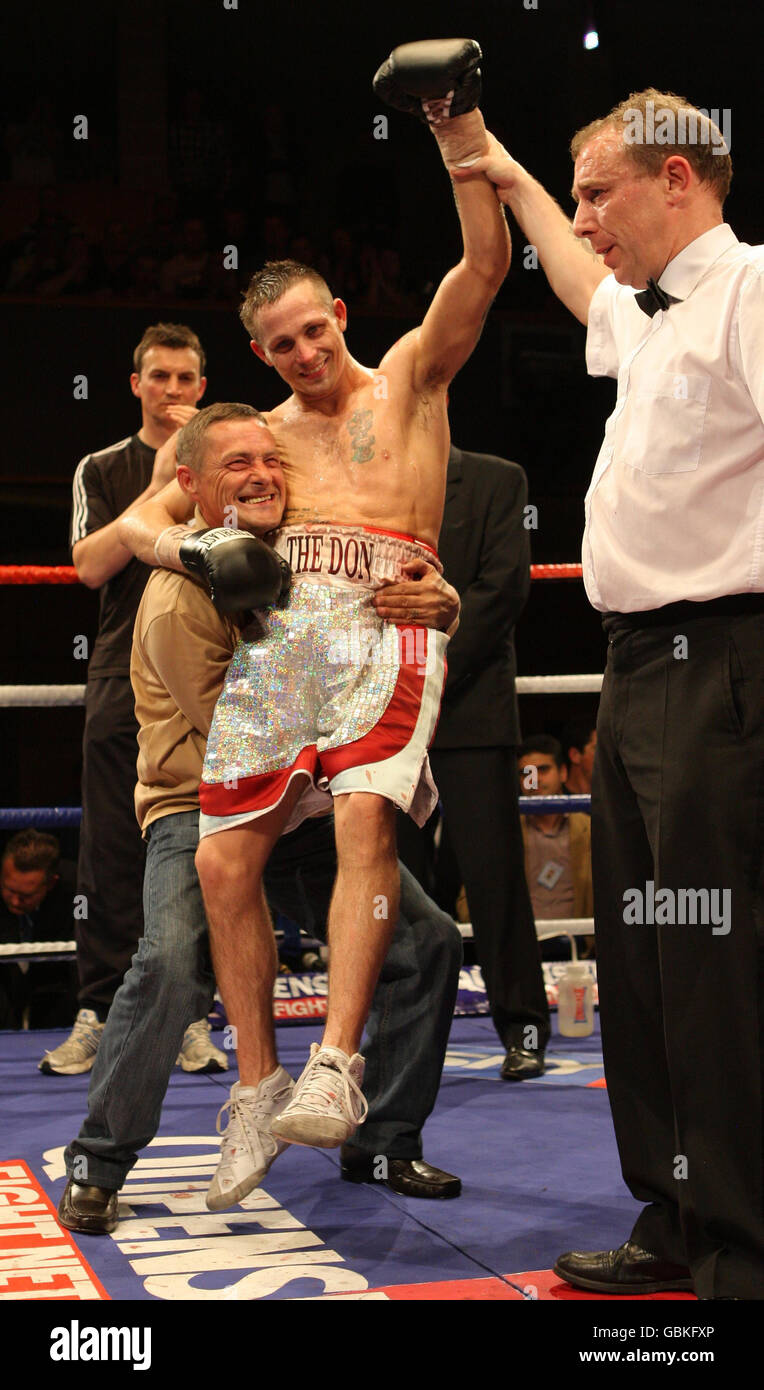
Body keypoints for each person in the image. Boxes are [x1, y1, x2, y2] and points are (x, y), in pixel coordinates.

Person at [118, 39, 510, 1184]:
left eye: (312, 328)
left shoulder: (410, 380)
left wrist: (449, 129)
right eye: (279, 343)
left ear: (338, 312)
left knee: (361, 826)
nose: (302, 351)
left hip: (386, 622)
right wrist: (195, 549)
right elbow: (132, 528)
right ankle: (255, 1085)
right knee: (223, 866)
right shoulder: (252, 438)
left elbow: (483, 265)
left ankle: (337, 1060)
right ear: (257, 351)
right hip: (286, 645)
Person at [460, 88, 764, 1298]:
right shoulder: (642, 319)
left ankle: (742, 1242)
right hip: (634, 667)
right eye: (575, 196)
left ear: (678, 180)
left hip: (726, 657)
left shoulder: (748, 291)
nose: (582, 218)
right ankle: (675, 1213)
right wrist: (481, 155)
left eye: (601, 192)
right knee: (642, 951)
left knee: (712, 961)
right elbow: (559, 261)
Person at [57, 403, 463, 1235]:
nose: (261, 476)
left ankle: (378, 1137)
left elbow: (392, 617)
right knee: (171, 961)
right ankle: (99, 1160)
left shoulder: (301, 561)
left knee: (425, 944)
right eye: (235, 465)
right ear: (192, 488)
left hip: (305, 801)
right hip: (202, 801)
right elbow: (238, 750)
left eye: (270, 461)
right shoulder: (177, 596)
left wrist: (440, 601)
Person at [41, 323, 224, 1078]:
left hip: (207, 667)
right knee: (111, 843)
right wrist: (158, 485)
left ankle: (190, 1012)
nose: (173, 391)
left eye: (186, 379)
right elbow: (89, 566)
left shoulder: (225, 460)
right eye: (160, 378)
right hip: (122, 670)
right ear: (136, 385)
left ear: (201, 388)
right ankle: (99, 1007)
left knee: (205, 842)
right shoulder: (105, 466)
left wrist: (194, 471)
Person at [397, 443, 551, 1080]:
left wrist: (433, 671)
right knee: (399, 882)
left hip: (470, 708)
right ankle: (404, 1035)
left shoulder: (497, 479)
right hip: (389, 714)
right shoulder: (372, 486)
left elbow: (503, 587)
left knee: (493, 876)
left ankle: (523, 1027)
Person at [517, 736, 593, 954]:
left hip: (581, 946)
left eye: (543, 769)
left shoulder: (590, 829)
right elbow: (472, 895)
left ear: (563, 773)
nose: (534, 779)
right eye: (526, 773)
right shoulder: (504, 832)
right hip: (523, 950)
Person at [0, 831, 77, 1029]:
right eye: (9, 890)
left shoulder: (79, 891)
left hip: (54, 981)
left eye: (26, 895)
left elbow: (85, 935)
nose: (15, 901)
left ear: (51, 883)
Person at [561, 721, 597, 796]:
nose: (607, 756)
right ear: (575, 755)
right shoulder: (555, 801)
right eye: (599, 749)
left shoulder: (614, 799)